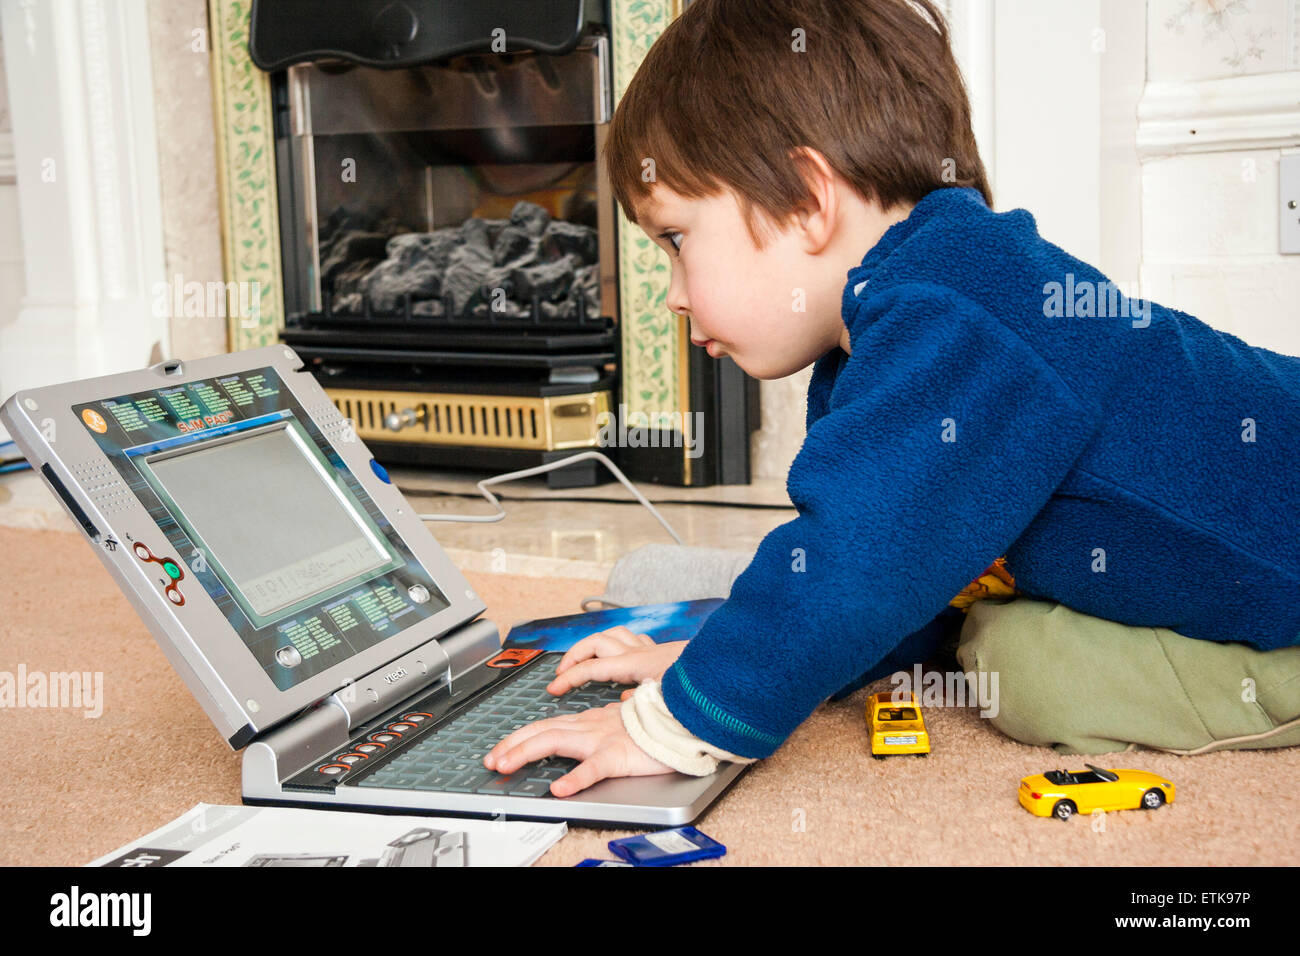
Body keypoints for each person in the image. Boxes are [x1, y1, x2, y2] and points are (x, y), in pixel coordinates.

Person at [484, 0, 1300, 796]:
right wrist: (710, 661)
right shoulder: (910, 308)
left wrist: (669, 722)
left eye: (675, 240)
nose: (673, 295)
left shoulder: (955, 310)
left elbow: (865, 555)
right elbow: (916, 565)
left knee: (1022, 669)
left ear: (807, 200)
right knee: (979, 641)